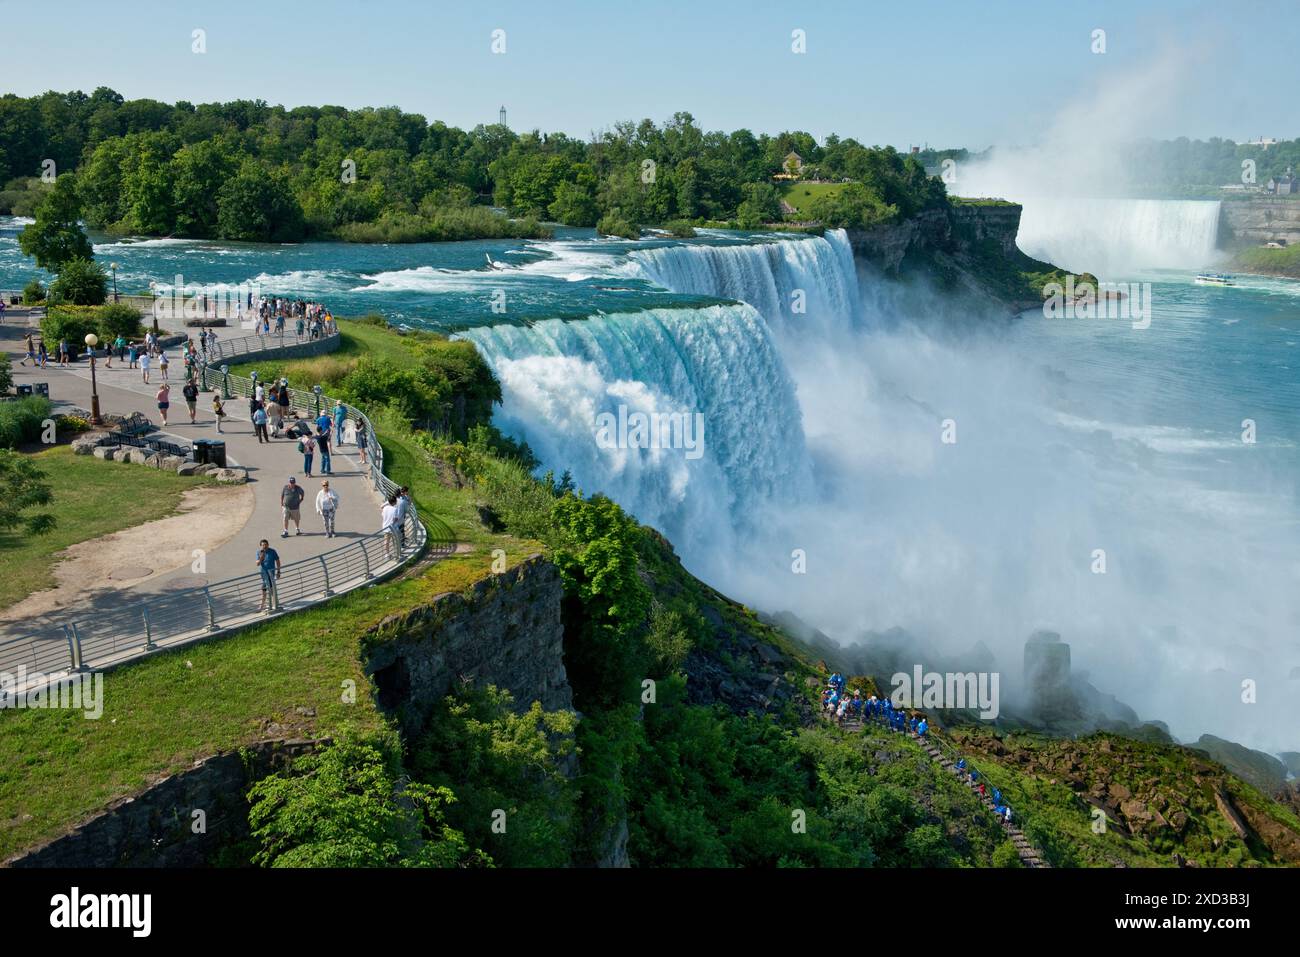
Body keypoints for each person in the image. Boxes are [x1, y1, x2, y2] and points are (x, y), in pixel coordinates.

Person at [256, 539, 282, 612]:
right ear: (261, 546)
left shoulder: (272, 551)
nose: (264, 546)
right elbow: (257, 564)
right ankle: (275, 602)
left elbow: (277, 561)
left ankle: (263, 605)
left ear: (268, 544)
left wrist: (279, 571)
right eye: (263, 545)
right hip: (263, 573)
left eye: (265, 544)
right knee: (269, 588)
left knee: (265, 588)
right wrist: (261, 556)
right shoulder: (259, 552)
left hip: (271, 574)